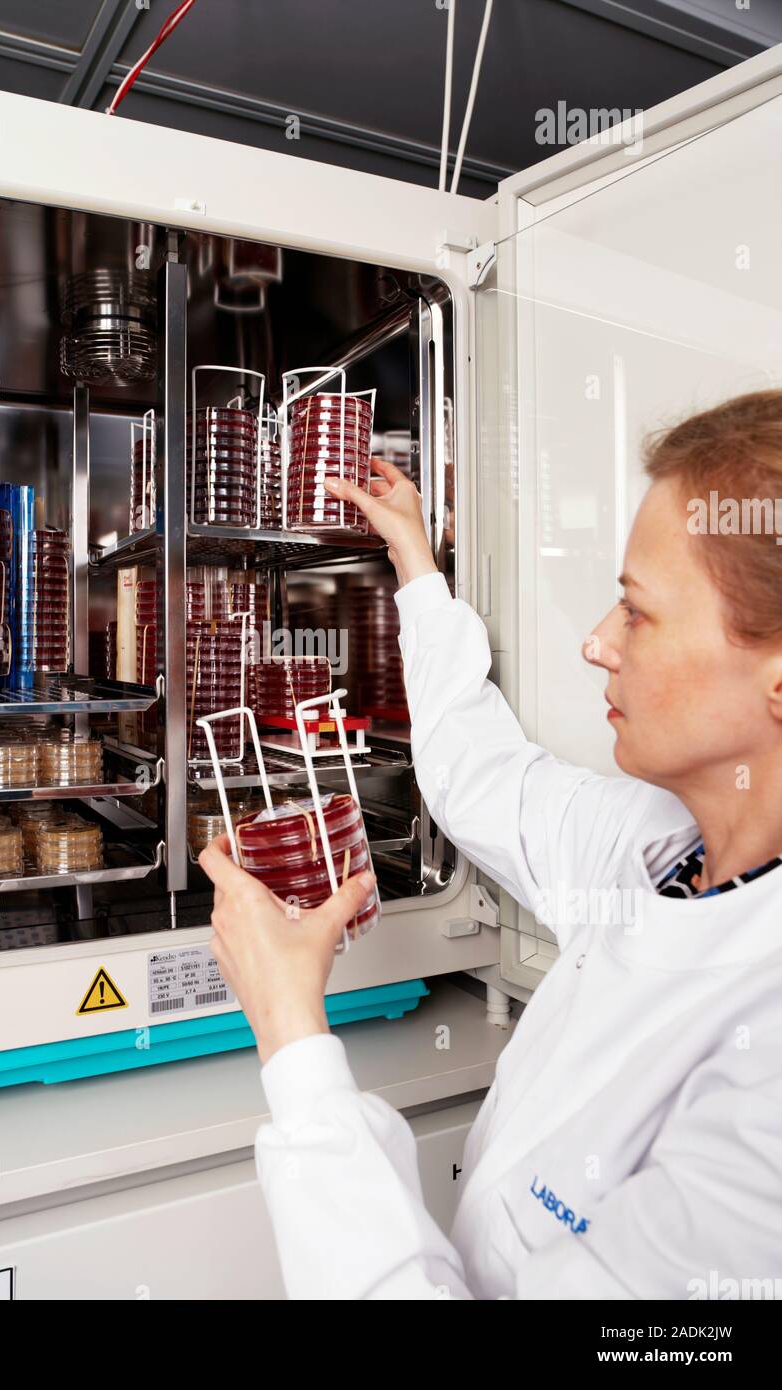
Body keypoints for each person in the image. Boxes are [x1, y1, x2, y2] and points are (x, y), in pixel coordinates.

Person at [199, 390, 782, 1300]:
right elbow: (482, 774)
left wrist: (291, 1033)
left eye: (636, 612)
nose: (595, 644)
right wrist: (414, 563)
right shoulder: (662, 852)